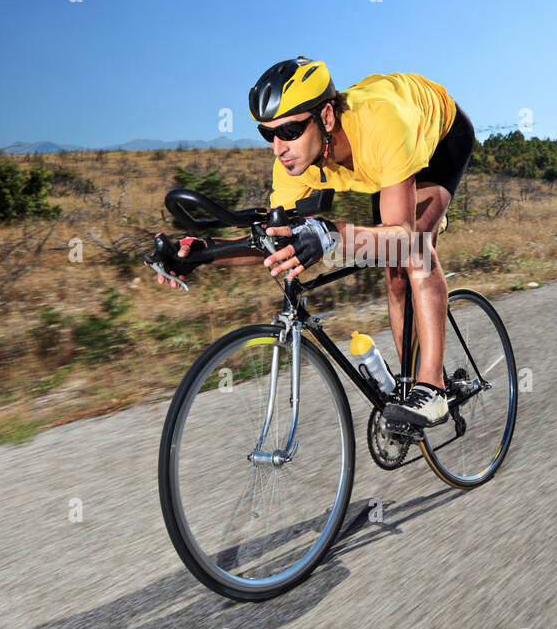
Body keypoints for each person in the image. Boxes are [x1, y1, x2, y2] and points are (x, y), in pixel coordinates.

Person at [157, 56, 474, 428]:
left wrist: (332, 235)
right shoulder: (291, 162)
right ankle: (408, 390)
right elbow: (273, 239)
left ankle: (432, 387)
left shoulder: (382, 124)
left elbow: (402, 239)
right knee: (395, 276)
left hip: (438, 136)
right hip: (383, 165)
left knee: (415, 249)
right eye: (267, 134)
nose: (278, 147)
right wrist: (203, 254)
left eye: (290, 131)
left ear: (325, 117)